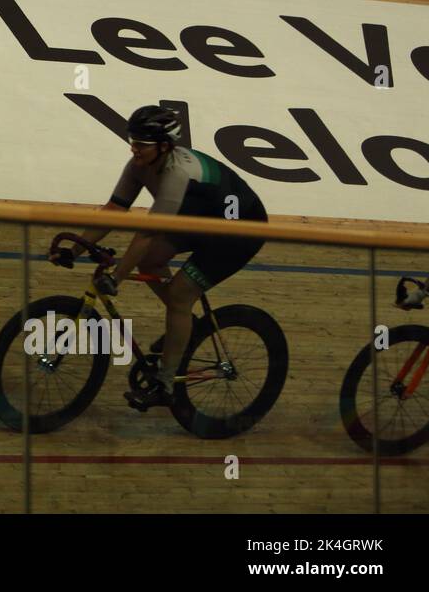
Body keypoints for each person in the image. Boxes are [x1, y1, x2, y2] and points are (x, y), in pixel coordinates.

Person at [49, 105, 268, 410]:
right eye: (132, 141)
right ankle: (185, 326)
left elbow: (147, 232)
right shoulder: (139, 164)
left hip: (238, 230)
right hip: (197, 219)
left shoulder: (178, 174)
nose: (133, 148)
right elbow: (115, 209)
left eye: (141, 144)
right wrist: (76, 248)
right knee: (149, 262)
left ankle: (165, 384)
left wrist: (117, 277)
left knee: (179, 294)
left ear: (164, 146)